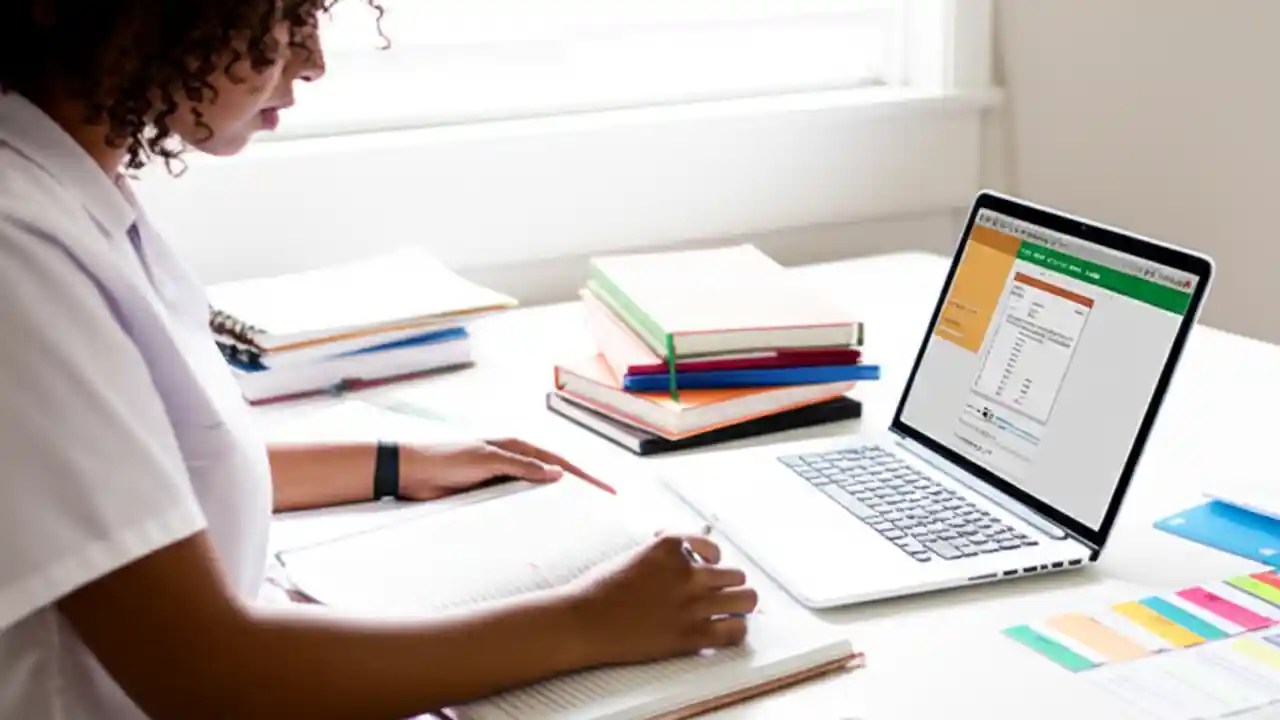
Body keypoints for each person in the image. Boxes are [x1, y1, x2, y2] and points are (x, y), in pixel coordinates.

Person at [0, 2, 758, 718]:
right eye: (282, 14)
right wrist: (589, 622)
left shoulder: (71, 185)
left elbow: (135, 475)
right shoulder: (20, 251)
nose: (311, 58)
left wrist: (393, 462)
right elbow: (208, 674)